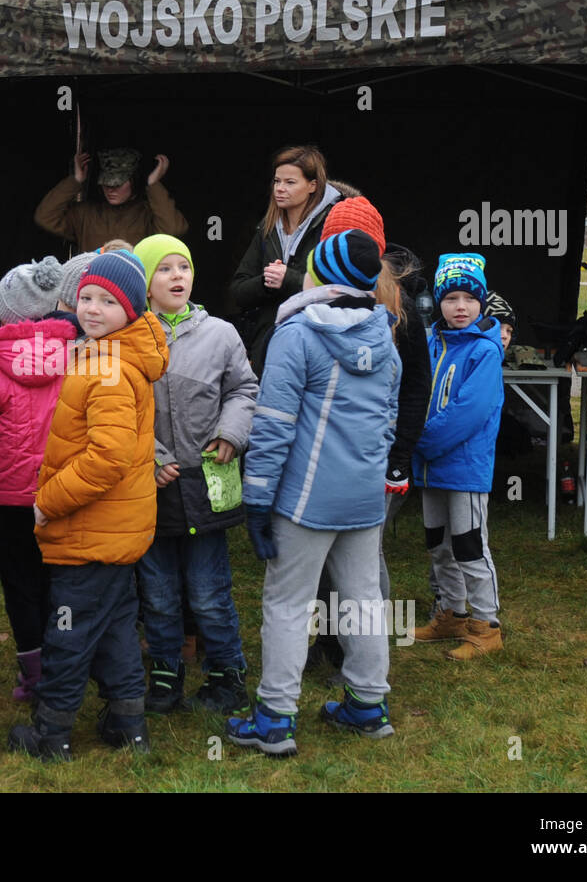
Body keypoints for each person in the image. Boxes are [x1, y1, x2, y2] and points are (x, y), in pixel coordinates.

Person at [228, 231, 400, 758]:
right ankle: (368, 705)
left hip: (304, 500)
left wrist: (257, 498)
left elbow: (273, 424)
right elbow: (387, 422)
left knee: (287, 604)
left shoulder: (297, 333)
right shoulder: (386, 334)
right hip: (365, 497)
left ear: (321, 275)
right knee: (363, 600)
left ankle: (274, 719)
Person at [8, 250, 169, 762]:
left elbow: (108, 458)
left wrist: (49, 502)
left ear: (132, 310)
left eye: (108, 301)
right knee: (117, 626)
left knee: (68, 632)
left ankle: (51, 733)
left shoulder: (108, 369)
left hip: (91, 529)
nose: (93, 309)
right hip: (115, 531)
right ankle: (128, 724)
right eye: (86, 298)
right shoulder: (108, 355)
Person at [129, 234, 257, 715]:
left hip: (207, 484)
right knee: (159, 593)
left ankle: (228, 674)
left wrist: (231, 433)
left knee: (209, 592)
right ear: (145, 282)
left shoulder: (220, 334)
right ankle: (165, 677)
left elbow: (244, 390)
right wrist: (150, 455)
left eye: (183, 267)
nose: (177, 276)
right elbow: (120, 409)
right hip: (151, 489)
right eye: (164, 269)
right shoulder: (130, 337)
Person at [304, 200, 430, 678]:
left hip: (377, 458)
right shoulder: (314, 302)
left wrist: (399, 458)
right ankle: (330, 644)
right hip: (329, 455)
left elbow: (416, 388)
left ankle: (365, 662)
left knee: (362, 562)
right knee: (322, 559)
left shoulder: (401, 311)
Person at [0, 255, 75, 701]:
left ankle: (33, 673)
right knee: (59, 577)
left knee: (19, 581)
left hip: (11, 496)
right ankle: (67, 665)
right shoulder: (77, 355)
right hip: (64, 490)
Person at [410, 254, 505, 660]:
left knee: (469, 547)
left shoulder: (485, 352)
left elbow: (469, 411)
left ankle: (487, 626)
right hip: (430, 470)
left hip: (464, 469)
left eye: (469, 298)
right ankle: (451, 613)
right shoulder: (430, 343)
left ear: (482, 302)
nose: (460, 306)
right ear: (438, 302)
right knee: (439, 545)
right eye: (451, 298)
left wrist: (419, 440)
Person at [231, 145, 343, 376]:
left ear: (313, 185)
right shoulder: (267, 227)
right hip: (267, 347)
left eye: (290, 182)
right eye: (277, 181)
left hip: (316, 347)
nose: (280, 189)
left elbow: (340, 290)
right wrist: (266, 282)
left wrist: (288, 279)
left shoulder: (332, 226)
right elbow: (238, 291)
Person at [34, 148, 188, 251]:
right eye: (106, 183)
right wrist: (75, 181)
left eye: (117, 184)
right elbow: (45, 217)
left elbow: (173, 229)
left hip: (132, 287)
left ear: (134, 181)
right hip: (93, 287)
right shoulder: (86, 213)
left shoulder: (147, 213)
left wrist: (153, 185)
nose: (110, 189)